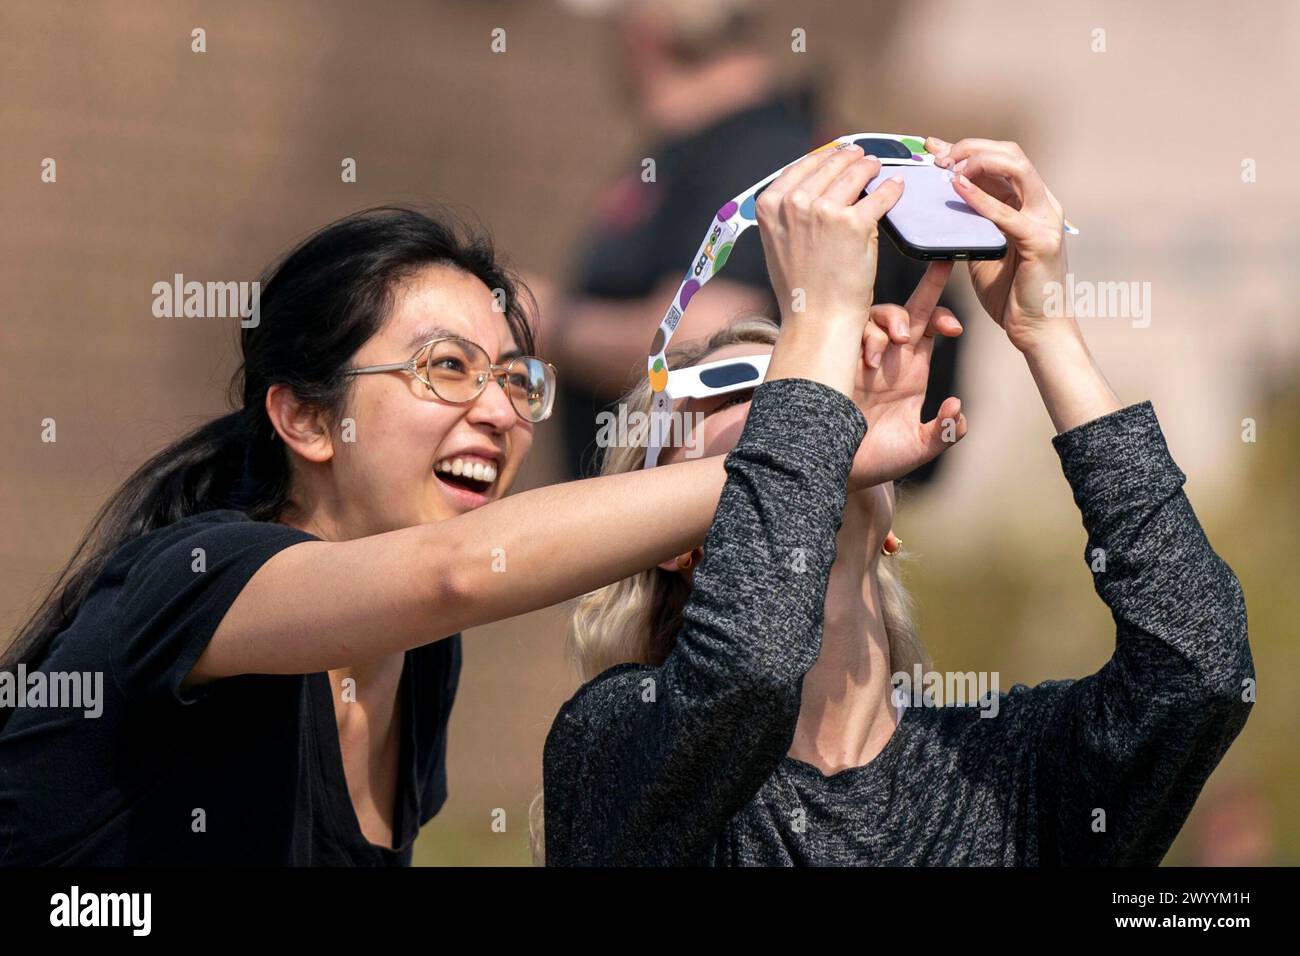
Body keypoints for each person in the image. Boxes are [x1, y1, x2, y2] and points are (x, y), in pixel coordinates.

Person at [0, 200, 881, 865]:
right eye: (446, 369)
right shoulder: (191, 577)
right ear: (306, 420)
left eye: (513, 379)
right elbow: (454, 573)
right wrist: (805, 437)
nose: (499, 412)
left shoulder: (417, 661)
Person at [538, 137, 1255, 865]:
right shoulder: (614, 743)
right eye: (752, 391)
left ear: (889, 526)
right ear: (670, 534)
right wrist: (817, 328)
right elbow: (746, 673)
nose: (816, 414)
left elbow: (1201, 667)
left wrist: (1046, 332)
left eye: (825, 391)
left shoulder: (1007, 773)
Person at [544, 0, 960, 486]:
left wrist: (541, 322)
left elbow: (691, 344)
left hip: (726, 528)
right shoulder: (718, 144)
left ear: (644, 32)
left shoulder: (759, 150)